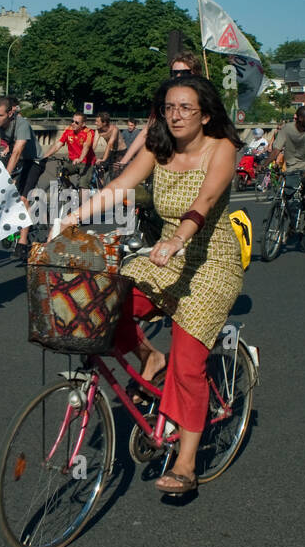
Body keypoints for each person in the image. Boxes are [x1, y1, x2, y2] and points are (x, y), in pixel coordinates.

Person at [53, 74, 243, 495]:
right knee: (105, 305)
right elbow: (120, 186)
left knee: (189, 364)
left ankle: (187, 462)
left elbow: (206, 200)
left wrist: (178, 238)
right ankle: (149, 357)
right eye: (169, 107)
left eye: (186, 108)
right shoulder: (159, 150)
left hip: (211, 262)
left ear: (205, 114)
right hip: (165, 257)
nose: (176, 115)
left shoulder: (221, 149)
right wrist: (72, 218)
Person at [118, 51, 202, 167]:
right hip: (168, 160)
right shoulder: (163, 98)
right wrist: (124, 161)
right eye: (174, 73)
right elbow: (147, 130)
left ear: (195, 74)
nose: (178, 77)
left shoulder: (205, 99)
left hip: (197, 161)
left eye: (184, 73)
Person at [0, 97, 43, 262]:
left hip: (33, 161)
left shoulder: (21, 124)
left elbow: (18, 151)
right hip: (17, 160)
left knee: (22, 198)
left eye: (0, 115)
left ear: (10, 113)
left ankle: (22, 241)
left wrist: (5, 176)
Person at [271, 105, 305, 225]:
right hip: (293, 165)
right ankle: (292, 222)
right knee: (289, 193)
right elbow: (277, 149)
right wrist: (264, 164)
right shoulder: (288, 129)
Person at [43, 111, 96, 187]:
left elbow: (86, 146)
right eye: (72, 121)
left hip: (86, 162)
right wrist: (45, 155)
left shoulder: (88, 132)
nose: (73, 124)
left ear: (83, 124)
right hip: (72, 162)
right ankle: (71, 189)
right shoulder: (68, 130)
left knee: (83, 186)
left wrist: (80, 159)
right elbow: (58, 145)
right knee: (61, 174)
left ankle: (84, 195)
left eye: (76, 122)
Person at [93, 111, 125, 182]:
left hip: (121, 152)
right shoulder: (98, 131)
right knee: (99, 168)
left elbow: (110, 144)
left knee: (114, 173)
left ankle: (117, 190)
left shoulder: (114, 129)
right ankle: (103, 189)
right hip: (111, 151)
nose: (95, 123)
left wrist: (104, 159)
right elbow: (94, 145)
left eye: (97, 122)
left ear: (104, 123)